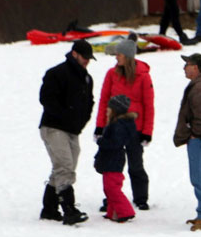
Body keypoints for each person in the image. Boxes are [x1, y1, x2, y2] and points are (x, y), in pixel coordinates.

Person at [38, 39, 95, 225]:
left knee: (65, 167)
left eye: (89, 58)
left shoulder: (87, 78)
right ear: (74, 54)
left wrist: (81, 121)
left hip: (73, 130)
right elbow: (46, 99)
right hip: (53, 127)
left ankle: (49, 208)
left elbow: (90, 102)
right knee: (65, 166)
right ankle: (69, 208)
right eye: (85, 57)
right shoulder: (56, 73)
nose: (87, 61)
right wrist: (66, 116)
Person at [95, 38, 155, 211]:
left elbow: (149, 105)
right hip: (113, 127)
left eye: (119, 54)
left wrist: (147, 131)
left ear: (128, 56)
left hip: (135, 128)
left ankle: (140, 197)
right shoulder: (111, 74)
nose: (116, 57)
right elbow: (103, 100)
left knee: (136, 164)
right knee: (111, 164)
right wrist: (100, 126)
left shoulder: (143, 76)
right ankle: (113, 197)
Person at [173, 53, 201, 231]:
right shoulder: (199, 85)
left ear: (196, 68)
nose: (184, 67)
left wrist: (195, 133)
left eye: (188, 64)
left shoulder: (200, 88)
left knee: (199, 178)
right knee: (199, 177)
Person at [93, 93, 138, 222]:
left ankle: (125, 211)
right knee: (109, 188)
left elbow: (115, 143)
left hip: (113, 160)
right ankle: (113, 212)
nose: (107, 110)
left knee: (112, 188)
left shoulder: (118, 125)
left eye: (109, 108)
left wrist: (101, 141)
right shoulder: (117, 124)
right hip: (111, 161)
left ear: (115, 110)